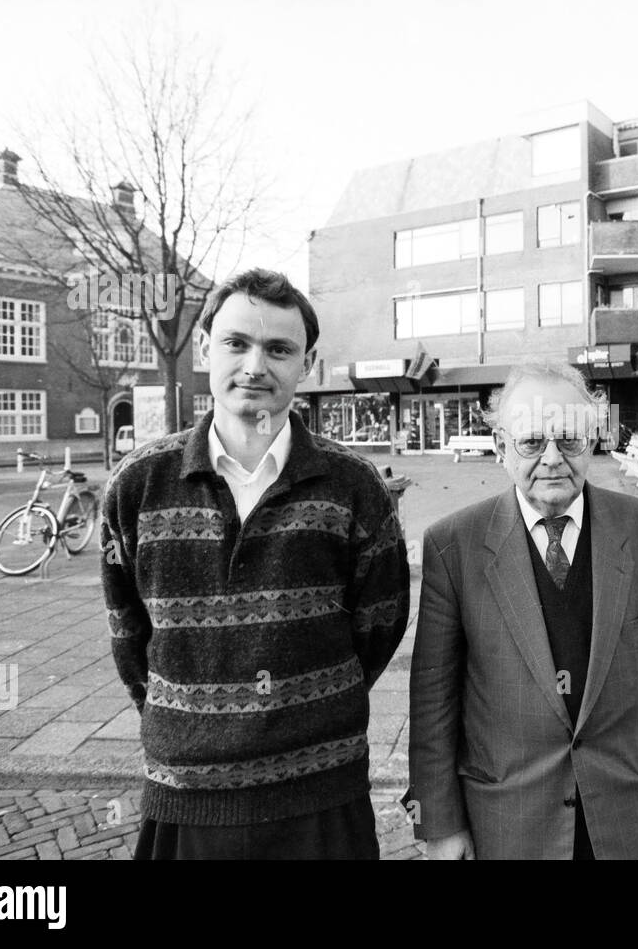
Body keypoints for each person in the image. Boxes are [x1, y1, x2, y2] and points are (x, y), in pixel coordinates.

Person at [100, 268, 410, 859]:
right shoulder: (139, 484)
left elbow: (381, 624)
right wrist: (190, 721)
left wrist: (307, 709)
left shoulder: (354, 485)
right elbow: (128, 634)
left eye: (279, 349)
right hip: (186, 792)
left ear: (308, 363)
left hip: (322, 795)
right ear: (204, 347)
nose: (254, 365)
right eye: (236, 343)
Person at [406, 359, 638, 859]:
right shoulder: (452, 547)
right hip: (508, 822)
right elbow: (432, 700)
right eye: (531, 442)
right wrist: (438, 822)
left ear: (592, 441)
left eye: (569, 440)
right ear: (501, 447)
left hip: (632, 815)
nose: (552, 458)